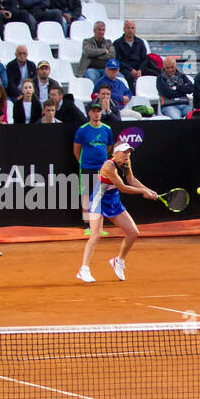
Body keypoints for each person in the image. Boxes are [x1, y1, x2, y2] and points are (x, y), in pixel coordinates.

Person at [77, 141, 157, 284]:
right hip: (98, 201)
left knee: (133, 233)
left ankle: (118, 261)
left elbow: (131, 180)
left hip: (113, 201)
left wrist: (149, 190)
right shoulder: (108, 166)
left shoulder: (126, 163)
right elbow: (123, 187)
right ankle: (84, 269)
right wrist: (143, 191)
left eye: (129, 152)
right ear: (115, 153)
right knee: (95, 234)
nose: (127, 155)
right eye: (124, 152)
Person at [73, 99, 112, 230]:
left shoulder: (107, 129)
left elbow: (108, 147)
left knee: (100, 196)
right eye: (94, 111)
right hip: (86, 167)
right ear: (89, 113)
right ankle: (86, 226)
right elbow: (76, 150)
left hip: (102, 168)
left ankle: (98, 226)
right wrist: (84, 162)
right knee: (86, 195)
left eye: (98, 111)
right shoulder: (82, 130)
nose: (96, 114)